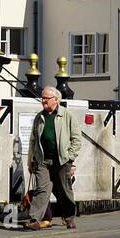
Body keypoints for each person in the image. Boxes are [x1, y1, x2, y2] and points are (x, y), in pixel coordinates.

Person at [27, 86, 83, 230]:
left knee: (65, 191)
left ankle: (69, 217)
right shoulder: (39, 117)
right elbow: (33, 140)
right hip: (43, 161)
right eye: (42, 98)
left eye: (46, 98)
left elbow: (77, 139)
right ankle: (34, 219)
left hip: (62, 161)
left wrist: (70, 157)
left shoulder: (67, 115)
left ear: (56, 100)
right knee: (41, 190)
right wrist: (31, 160)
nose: (43, 101)